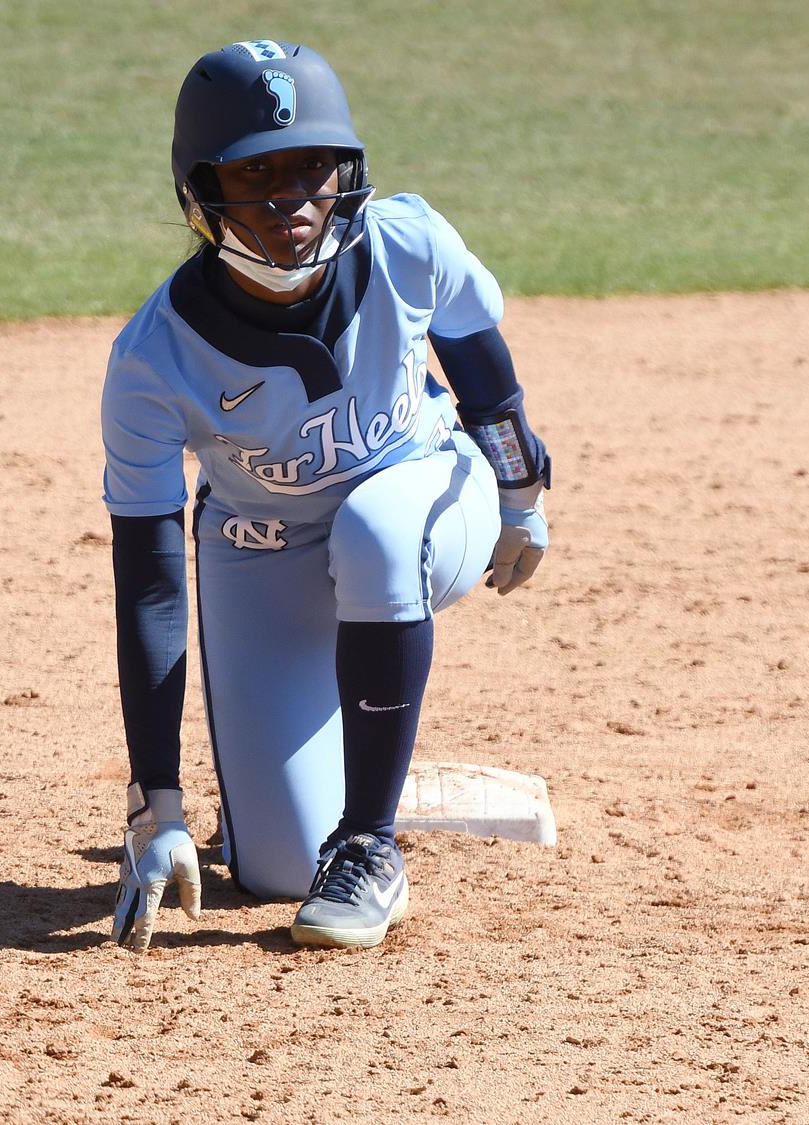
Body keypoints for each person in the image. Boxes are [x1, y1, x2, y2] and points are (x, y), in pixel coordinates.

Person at [105, 40, 552, 952]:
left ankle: (369, 841)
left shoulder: (408, 244)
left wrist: (518, 493)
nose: (293, 202)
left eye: (312, 168)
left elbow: (486, 380)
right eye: (257, 174)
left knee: (378, 529)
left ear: (348, 170)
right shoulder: (154, 359)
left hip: (423, 494)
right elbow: (151, 583)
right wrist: (158, 804)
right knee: (271, 870)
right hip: (263, 545)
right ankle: (340, 786)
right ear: (201, 191)